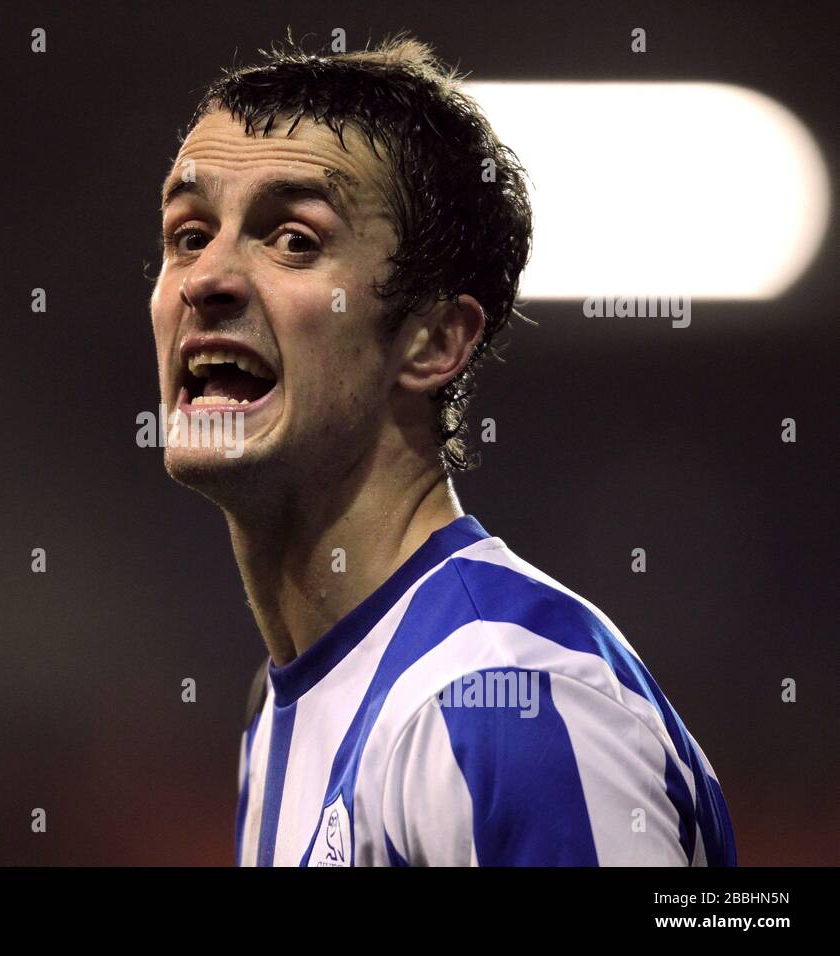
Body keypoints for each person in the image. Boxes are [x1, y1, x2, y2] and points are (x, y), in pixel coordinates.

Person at [148, 32, 736, 866]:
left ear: (432, 342)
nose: (206, 277)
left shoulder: (506, 703)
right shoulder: (280, 712)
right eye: (189, 232)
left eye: (295, 240)